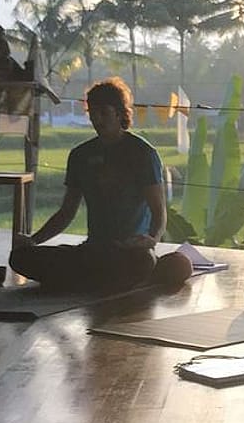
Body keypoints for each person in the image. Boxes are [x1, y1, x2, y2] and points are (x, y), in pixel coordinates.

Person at [10, 77, 168, 292]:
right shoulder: (80, 155)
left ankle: (84, 280)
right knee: (19, 258)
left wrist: (151, 239)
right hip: (93, 251)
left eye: (104, 112)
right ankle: (99, 280)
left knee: (142, 264)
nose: (97, 119)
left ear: (120, 113)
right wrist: (33, 241)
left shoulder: (142, 153)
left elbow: (158, 211)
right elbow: (66, 213)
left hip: (129, 253)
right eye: (93, 113)